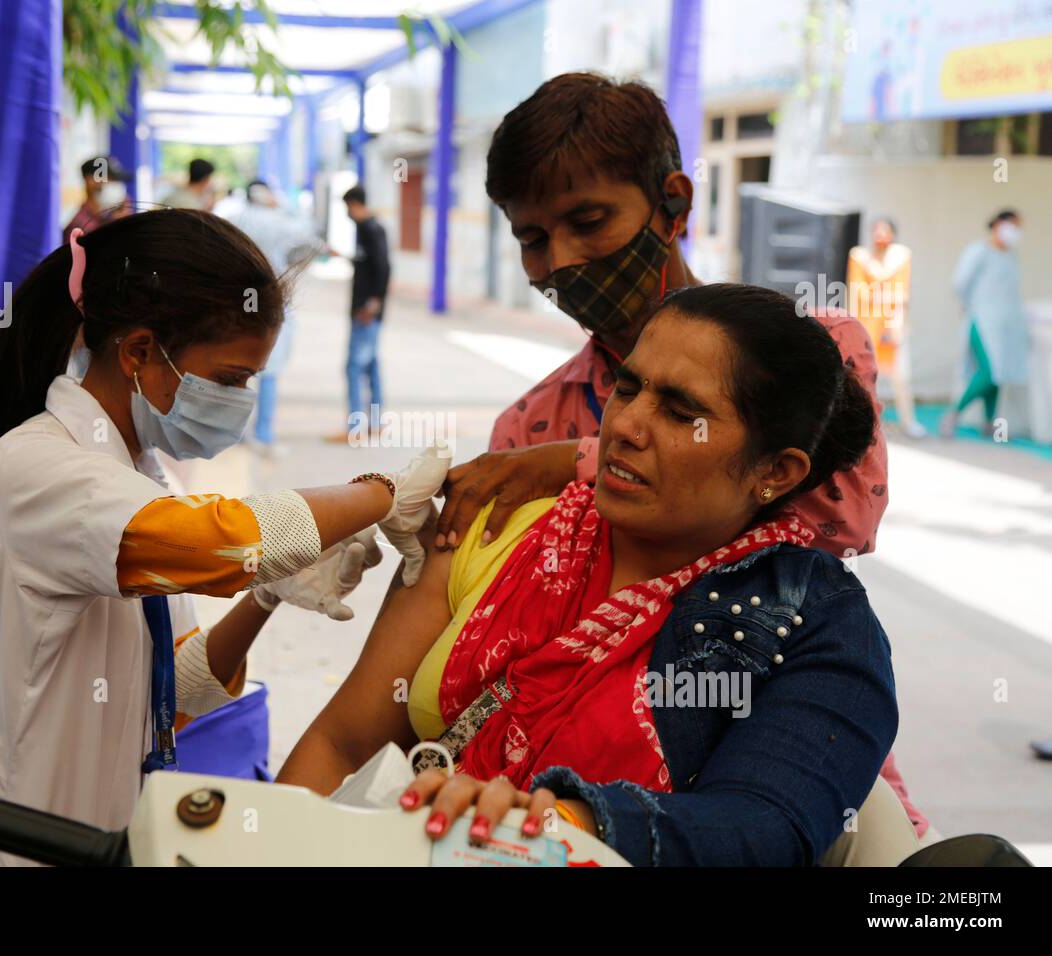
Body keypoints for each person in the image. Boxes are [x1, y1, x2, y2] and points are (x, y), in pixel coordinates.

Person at [425, 73, 927, 836]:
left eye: (587, 221)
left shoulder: (815, 353)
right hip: (543, 802)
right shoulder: (528, 422)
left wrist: (573, 461)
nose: (558, 261)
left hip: (781, 755)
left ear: (674, 203)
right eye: (531, 238)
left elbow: (843, 517)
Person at [280, 284, 916, 866]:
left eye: (679, 411)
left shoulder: (815, 622)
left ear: (775, 471)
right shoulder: (499, 529)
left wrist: (572, 821)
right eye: (630, 387)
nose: (626, 426)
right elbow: (340, 746)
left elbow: (765, 825)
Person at [0, 209, 448, 865]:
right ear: (138, 353)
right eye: (230, 380)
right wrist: (381, 492)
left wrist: (268, 596)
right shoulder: (37, 467)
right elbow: (214, 542)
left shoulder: (136, 476)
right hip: (2, 851)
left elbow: (176, 691)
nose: (241, 403)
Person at [223, 179, 323, 456]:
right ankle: (264, 435)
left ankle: (235, 432)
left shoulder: (233, 219)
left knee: (237, 368)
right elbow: (309, 231)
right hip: (271, 301)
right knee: (270, 369)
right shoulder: (279, 220)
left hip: (238, 302)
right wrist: (285, 206)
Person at [943, 209, 1028, 439]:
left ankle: (989, 423)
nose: (1016, 232)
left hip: (1005, 328)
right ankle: (953, 413)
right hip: (981, 322)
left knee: (999, 373)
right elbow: (959, 283)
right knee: (989, 372)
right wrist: (971, 307)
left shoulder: (1011, 256)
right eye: (1013, 225)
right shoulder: (979, 251)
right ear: (998, 224)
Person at [847, 217, 925, 437]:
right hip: (867, 326)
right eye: (877, 231)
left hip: (892, 326)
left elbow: (902, 293)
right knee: (864, 378)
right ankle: (865, 427)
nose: (880, 236)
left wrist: (895, 322)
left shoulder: (901, 257)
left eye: (885, 231)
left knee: (901, 376)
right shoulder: (859, 257)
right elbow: (857, 292)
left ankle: (908, 422)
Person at [328, 185, 390, 442]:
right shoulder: (368, 229)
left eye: (347, 207)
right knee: (371, 365)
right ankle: (374, 422)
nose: (347, 214)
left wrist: (372, 304)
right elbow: (367, 264)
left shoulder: (370, 229)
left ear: (355, 204)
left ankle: (356, 426)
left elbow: (383, 268)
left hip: (366, 311)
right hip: (367, 309)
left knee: (354, 367)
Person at [61, 155, 132, 245]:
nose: (117, 186)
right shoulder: (81, 228)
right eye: (111, 179)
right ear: (91, 181)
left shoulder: (105, 219)